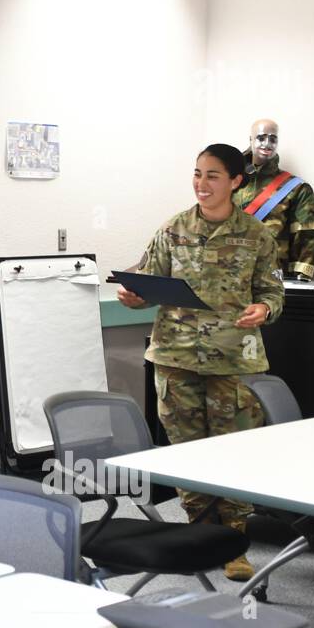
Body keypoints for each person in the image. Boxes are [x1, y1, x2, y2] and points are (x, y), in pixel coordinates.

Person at [118, 143, 284, 581]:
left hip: (234, 360)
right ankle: (199, 537)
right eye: (196, 173)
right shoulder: (173, 229)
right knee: (188, 453)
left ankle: (235, 542)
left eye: (212, 175)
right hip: (177, 358)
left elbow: (273, 291)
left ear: (235, 182)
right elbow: (146, 284)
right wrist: (132, 295)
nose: (201, 183)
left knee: (233, 452)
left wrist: (264, 310)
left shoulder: (256, 235)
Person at [233, 118, 314, 279]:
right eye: (261, 138)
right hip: (228, 276)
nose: (267, 144)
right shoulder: (231, 182)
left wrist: (301, 280)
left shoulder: (296, 188)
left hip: (269, 279)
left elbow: (305, 238)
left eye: (273, 139)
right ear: (251, 140)